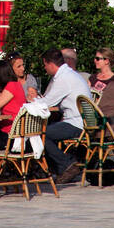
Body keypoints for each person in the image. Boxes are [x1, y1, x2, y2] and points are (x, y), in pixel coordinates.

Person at [40, 47, 93, 184]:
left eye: (44, 65)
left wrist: (27, 105)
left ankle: (66, 165)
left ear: (50, 63)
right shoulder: (68, 75)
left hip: (76, 123)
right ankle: (59, 168)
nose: (44, 68)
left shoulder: (64, 78)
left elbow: (47, 102)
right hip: (78, 121)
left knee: (40, 134)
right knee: (46, 130)